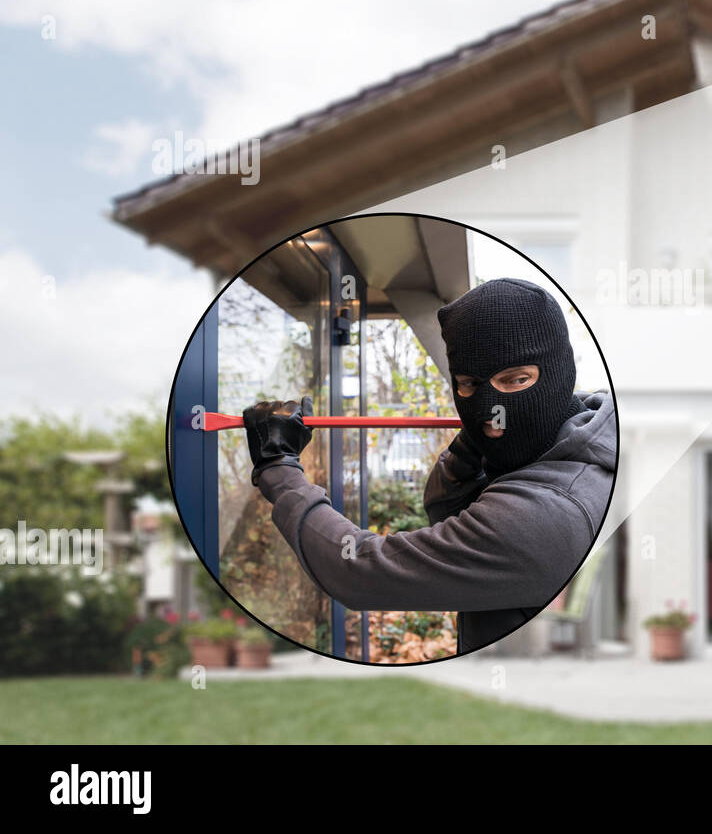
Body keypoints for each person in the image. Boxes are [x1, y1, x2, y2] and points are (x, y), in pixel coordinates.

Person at [242, 277, 616, 655]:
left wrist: (278, 466)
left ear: (557, 373)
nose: (490, 410)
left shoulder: (543, 513)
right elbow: (448, 512)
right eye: (469, 385)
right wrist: (477, 443)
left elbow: (356, 569)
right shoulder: (574, 438)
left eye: (515, 379)